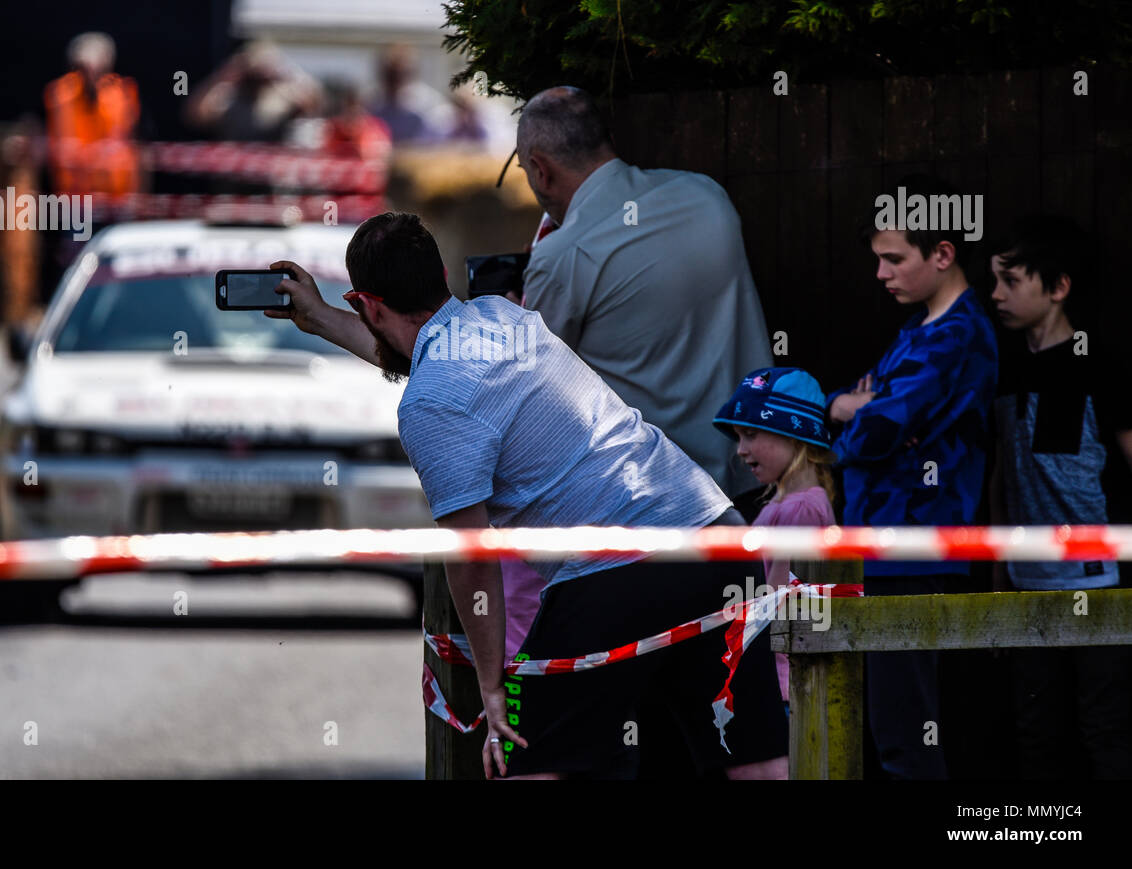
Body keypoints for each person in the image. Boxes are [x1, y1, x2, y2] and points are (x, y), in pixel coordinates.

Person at [264, 211, 788, 779]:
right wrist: (319, 319)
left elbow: (471, 557)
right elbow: (425, 360)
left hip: (616, 569)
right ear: (440, 273)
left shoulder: (430, 403)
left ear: (365, 301)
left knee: (532, 763)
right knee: (751, 759)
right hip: (714, 533)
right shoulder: (502, 318)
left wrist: (491, 684)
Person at [515, 86, 771, 499]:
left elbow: (537, 384)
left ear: (540, 170)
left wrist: (516, 319)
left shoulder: (562, 256)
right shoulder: (707, 197)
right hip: (743, 477)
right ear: (607, 140)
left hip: (644, 502)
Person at [825, 174, 998, 779]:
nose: (881, 274)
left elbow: (872, 428)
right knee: (890, 726)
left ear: (943, 254)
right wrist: (853, 410)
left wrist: (854, 414)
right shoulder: (920, 331)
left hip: (913, 548)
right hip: (885, 544)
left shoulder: (956, 336)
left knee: (904, 732)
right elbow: (858, 413)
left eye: (894, 259)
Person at [987, 214, 1132, 778]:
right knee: (1034, 734)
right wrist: (998, 570)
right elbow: (999, 474)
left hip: (1101, 582)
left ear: (1058, 286)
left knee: (1106, 730)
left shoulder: (1101, 364)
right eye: (993, 281)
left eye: (1012, 280)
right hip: (1026, 586)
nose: (996, 295)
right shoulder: (1001, 368)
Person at [714, 367, 837, 711]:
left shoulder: (800, 510)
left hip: (783, 685)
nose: (741, 450)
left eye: (751, 434)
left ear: (796, 435)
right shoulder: (792, 505)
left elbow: (775, 608)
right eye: (738, 437)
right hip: (781, 681)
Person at [43, 32, 141, 195]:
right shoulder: (60, 94)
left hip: (115, 194)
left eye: (97, 69)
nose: (91, 75)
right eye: (84, 69)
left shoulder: (122, 93)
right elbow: (63, 145)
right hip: (73, 195)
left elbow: (126, 142)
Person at [184, 39, 321, 144]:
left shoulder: (284, 97)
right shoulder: (228, 97)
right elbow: (194, 115)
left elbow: (315, 104)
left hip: (272, 172)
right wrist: (224, 76)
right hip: (233, 172)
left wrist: (285, 72)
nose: (259, 75)